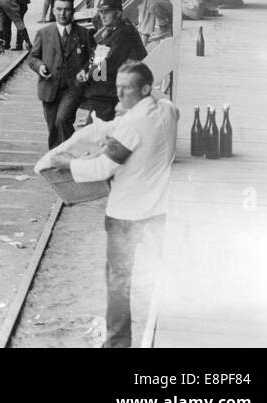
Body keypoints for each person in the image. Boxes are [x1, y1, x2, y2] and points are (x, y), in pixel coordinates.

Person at [48, 62, 177, 348]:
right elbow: (165, 109)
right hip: (160, 208)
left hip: (126, 213)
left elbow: (102, 169)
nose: (119, 95)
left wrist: (69, 163)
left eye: (126, 89)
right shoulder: (166, 110)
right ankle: (168, 326)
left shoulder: (132, 125)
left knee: (119, 280)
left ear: (144, 89)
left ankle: (118, 343)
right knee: (162, 270)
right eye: (117, 87)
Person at [28, 0, 95, 148]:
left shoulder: (83, 34)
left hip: (73, 88)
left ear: (72, 12)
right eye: (59, 9)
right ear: (53, 11)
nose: (62, 13)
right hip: (50, 87)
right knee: (53, 127)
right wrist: (40, 67)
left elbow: (94, 58)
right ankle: (55, 156)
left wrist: (87, 71)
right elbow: (32, 58)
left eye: (66, 10)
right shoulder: (44, 33)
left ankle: (68, 152)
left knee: (63, 119)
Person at [78, 0, 147, 123]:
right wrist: (84, 69)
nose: (103, 16)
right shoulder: (114, 30)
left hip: (111, 93)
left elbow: (111, 62)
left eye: (107, 12)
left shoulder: (123, 33)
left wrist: (88, 73)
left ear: (118, 13)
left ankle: (93, 121)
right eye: (101, 12)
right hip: (104, 89)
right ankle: (91, 118)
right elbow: (98, 54)